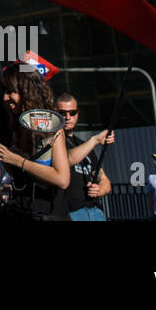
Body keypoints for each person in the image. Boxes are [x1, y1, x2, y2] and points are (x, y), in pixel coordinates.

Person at [0, 65, 71, 221]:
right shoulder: (17, 124)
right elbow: (21, 176)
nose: (5, 98)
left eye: (10, 91)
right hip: (22, 210)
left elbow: (62, 179)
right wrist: (3, 155)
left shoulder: (50, 125)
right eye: (4, 91)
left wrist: (17, 160)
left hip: (47, 214)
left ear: (27, 91)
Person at [55, 92, 113, 221]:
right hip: (69, 213)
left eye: (72, 112)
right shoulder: (51, 142)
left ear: (77, 113)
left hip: (95, 212)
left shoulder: (84, 145)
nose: (68, 117)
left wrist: (100, 189)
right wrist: (94, 140)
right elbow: (66, 160)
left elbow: (105, 180)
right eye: (62, 113)